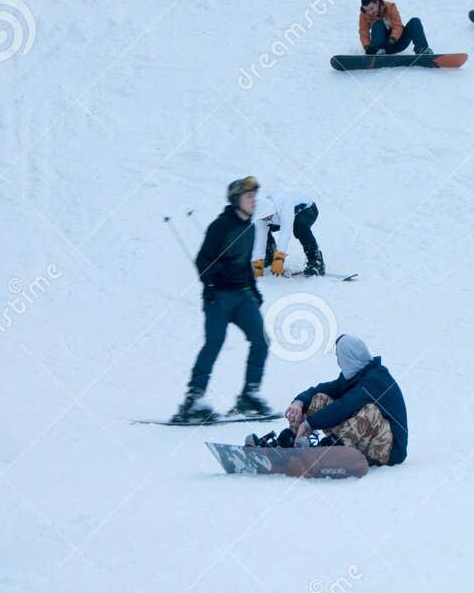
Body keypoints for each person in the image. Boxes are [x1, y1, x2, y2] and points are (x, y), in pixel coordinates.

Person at [174, 177, 272, 424]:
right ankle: (193, 400)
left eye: (254, 197)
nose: (253, 201)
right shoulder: (220, 226)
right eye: (249, 197)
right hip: (219, 298)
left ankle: (249, 395)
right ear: (236, 200)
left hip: (242, 296)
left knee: (261, 341)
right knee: (214, 344)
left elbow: (245, 263)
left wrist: (255, 292)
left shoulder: (250, 228)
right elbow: (202, 260)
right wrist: (210, 287)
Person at [276, 334, 408, 466]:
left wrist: (309, 423)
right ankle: (292, 440)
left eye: (339, 357)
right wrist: (299, 402)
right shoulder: (355, 377)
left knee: (370, 411)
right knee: (319, 399)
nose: (338, 362)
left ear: (348, 358)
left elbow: (345, 406)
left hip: (388, 450)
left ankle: (334, 451)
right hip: (363, 442)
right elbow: (322, 389)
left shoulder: (376, 379)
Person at [253, 189, 323, 277]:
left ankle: (316, 262)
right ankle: (270, 256)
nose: (265, 219)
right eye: (263, 218)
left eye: (266, 217)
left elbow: (285, 232)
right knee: (257, 229)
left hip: (308, 210)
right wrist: (258, 262)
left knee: (299, 227)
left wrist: (279, 257)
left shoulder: (284, 204)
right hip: (280, 217)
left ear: (270, 211)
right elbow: (260, 238)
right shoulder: (260, 213)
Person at [358, 0, 433, 56]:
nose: (370, 12)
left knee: (415, 21)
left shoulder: (390, 7)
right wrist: (367, 47)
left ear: (377, 3)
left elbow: (397, 25)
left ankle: (422, 50)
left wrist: (392, 39)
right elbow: (363, 32)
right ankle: (377, 52)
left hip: (398, 41)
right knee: (378, 24)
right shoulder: (364, 15)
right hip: (379, 48)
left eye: (372, 8)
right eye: (367, 10)